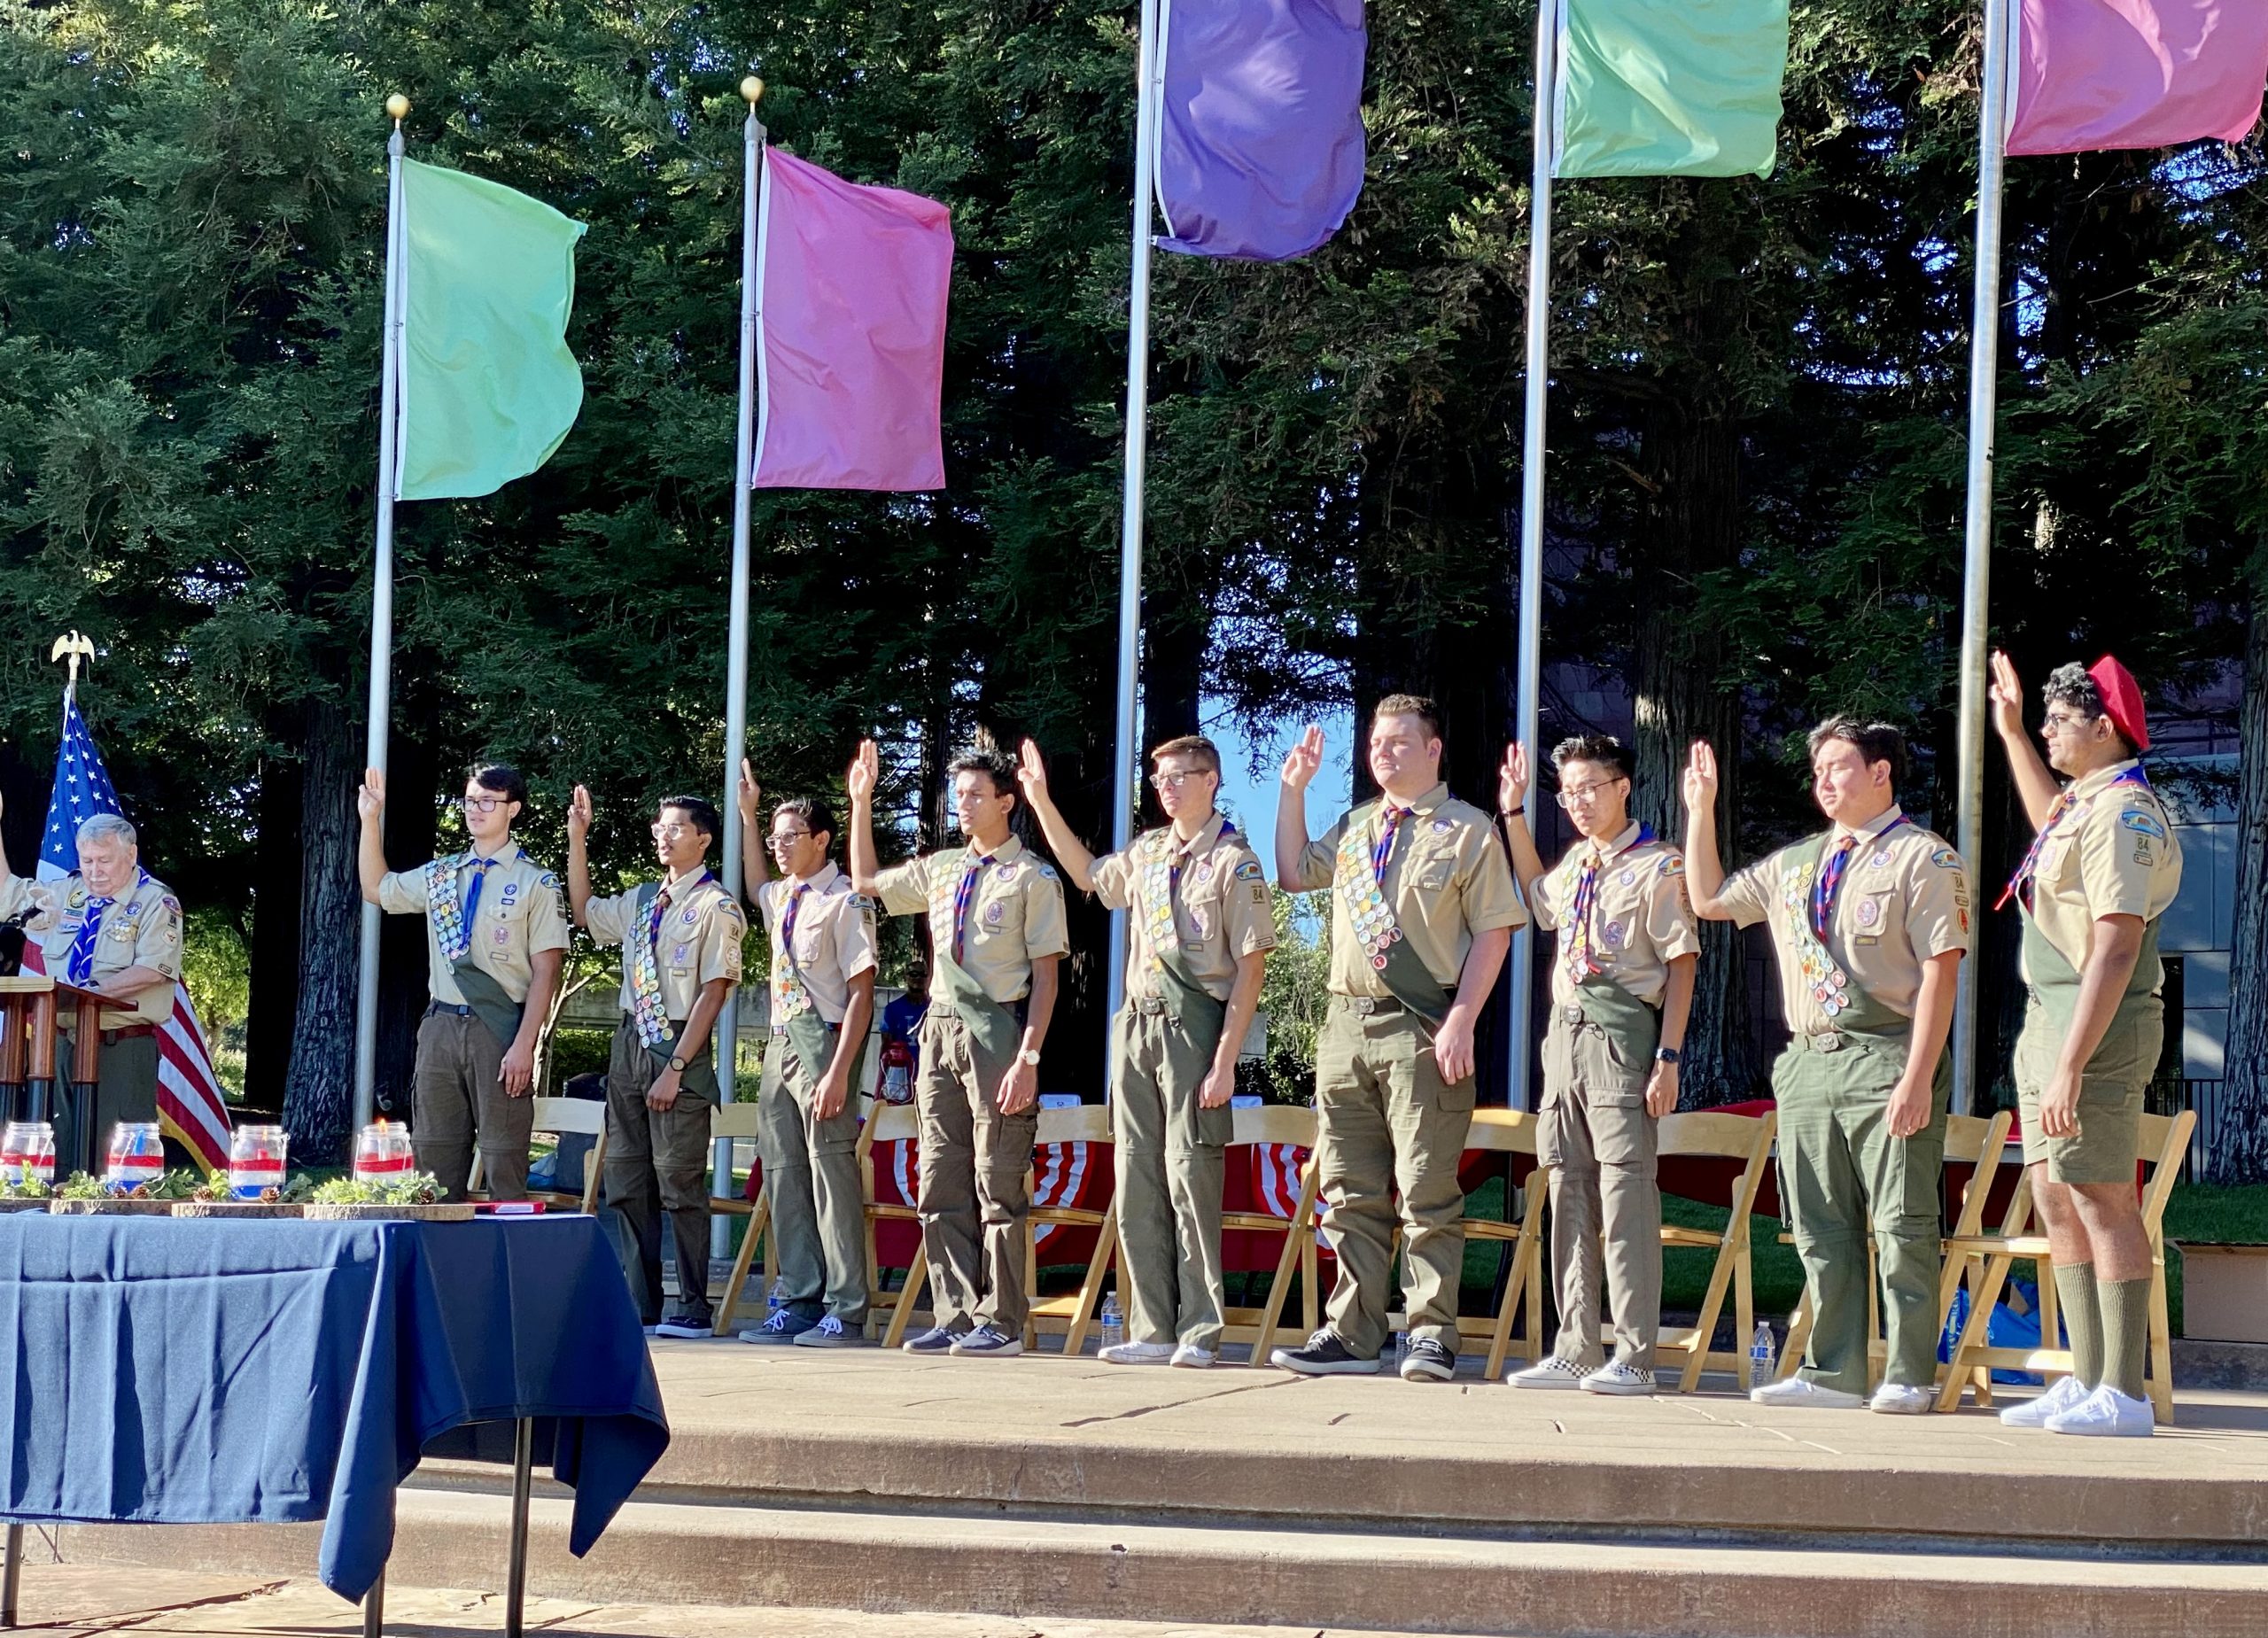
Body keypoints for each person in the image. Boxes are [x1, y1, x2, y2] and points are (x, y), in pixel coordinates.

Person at [1683, 720, 1969, 1413]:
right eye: (1818, 771)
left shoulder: (1923, 858)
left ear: (1881, 772)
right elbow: (1709, 899)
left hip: (1888, 1052)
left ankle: (1908, 1371)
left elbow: (1941, 972)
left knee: (1902, 1219)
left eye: (1840, 766)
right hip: (1811, 1061)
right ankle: (1833, 1371)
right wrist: (1701, 811)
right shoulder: (1797, 862)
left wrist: (1918, 1075)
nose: (1825, 781)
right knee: (1819, 1221)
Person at [1270, 695, 1520, 1381]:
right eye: (1377, 742)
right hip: (1344, 1024)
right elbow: (1293, 873)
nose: (1382, 752)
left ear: (1433, 749)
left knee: (1425, 1188)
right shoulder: (1357, 827)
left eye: (1399, 742)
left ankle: (1431, 1333)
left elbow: (1494, 932)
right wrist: (1293, 790)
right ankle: (1352, 1333)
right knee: (1348, 1189)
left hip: (1421, 1025)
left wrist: (1462, 1018)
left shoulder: (1468, 829)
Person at [1017, 734, 1276, 1369]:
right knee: (1136, 1174)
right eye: (1159, 778)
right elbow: (1087, 875)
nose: (1167, 787)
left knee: (1190, 1174)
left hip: (1195, 1026)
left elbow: (1251, 968)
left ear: (1211, 781)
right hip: (1136, 1024)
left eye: (1180, 776)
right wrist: (1041, 799)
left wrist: (1225, 1060)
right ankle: (1153, 1325)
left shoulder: (1234, 861)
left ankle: (1200, 1330)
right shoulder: (1148, 851)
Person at [1987, 653, 2181, 1438]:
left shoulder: (2125, 812)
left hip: (2097, 1023)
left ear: (2105, 728)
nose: (2049, 731)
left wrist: (2071, 1062)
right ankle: (2087, 1375)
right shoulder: (2084, 803)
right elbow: (2049, 824)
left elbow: (2116, 944)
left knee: (2102, 1193)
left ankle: (2123, 1392)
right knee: (2055, 1193)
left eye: (2060, 721)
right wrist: (2010, 732)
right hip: (2051, 1017)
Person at [846, 740, 1066, 1358]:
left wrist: (1028, 1058)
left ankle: (1003, 1319)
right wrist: (861, 802)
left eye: (976, 795)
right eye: (958, 795)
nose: (963, 805)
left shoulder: (1033, 877)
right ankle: (954, 1311)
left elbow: (1047, 978)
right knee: (940, 1177)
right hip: (938, 1029)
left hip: (997, 1030)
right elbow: (866, 882)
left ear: (1006, 801)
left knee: (998, 1180)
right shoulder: (942, 867)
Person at [1497, 734, 1697, 1395]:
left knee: (1625, 1191)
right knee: (1567, 1185)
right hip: (1565, 1039)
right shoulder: (1577, 864)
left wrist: (1668, 1056)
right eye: (1568, 793)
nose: (1579, 802)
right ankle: (1576, 1346)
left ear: (1622, 787)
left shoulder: (1658, 865)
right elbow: (1538, 897)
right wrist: (1515, 813)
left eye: (1590, 788)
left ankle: (1635, 1354)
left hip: (1621, 1039)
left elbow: (1682, 963)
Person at [569, 787, 745, 1339]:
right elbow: (585, 912)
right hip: (629, 1043)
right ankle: (639, 1301)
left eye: (675, 828)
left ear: (703, 838)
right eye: (659, 828)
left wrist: (677, 1067)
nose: (662, 836)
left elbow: (714, 992)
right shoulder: (645, 899)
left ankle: (693, 1305)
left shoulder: (716, 906)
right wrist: (578, 838)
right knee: (625, 1177)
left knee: (678, 1181)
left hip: (676, 1044)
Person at [358, 764, 568, 1202]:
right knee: (433, 1156)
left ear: (513, 809)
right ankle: (439, 1246)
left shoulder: (536, 881)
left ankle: (506, 1246)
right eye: (471, 801)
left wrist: (524, 1045)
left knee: (503, 1157)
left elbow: (547, 970)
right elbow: (377, 888)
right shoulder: (441, 875)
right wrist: (370, 820)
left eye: (488, 801)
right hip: (441, 1024)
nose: (476, 809)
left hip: (499, 1029)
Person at [735, 759, 879, 1348]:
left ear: (822, 839)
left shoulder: (846, 901)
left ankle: (847, 1307)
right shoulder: (783, 896)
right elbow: (754, 885)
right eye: (776, 838)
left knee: (830, 1174)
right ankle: (799, 1298)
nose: (780, 846)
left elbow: (862, 992)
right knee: (784, 1173)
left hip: (826, 1040)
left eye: (791, 836)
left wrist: (840, 1072)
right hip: (779, 1042)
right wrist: (749, 816)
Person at [0, 803, 181, 1152]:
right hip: (58, 1044)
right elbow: (6, 894)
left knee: (114, 1153)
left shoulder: (155, 900)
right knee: (58, 1150)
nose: (94, 872)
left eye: (104, 860)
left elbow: (152, 969)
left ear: (131, 855)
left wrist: (86, 993)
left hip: (119, 1045)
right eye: (87, 861)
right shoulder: (68, 892)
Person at [879, 962, 930, 1105]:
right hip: (900, 1078)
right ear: (906, 977)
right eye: (913, 974)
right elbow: (885, 1048)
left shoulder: (934, 1009)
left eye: (922, 974)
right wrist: (882, 1080)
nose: (918, 978)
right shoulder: (892, 1009)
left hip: (928, 1073)